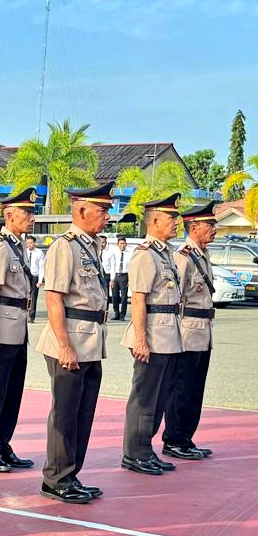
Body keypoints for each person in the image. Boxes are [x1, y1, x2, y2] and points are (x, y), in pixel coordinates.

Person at [36, 183, 113, 503]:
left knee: (83, 413)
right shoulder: (64, 247)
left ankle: (71, 474)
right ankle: (56, 477)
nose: (107, 217)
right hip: (70, 340)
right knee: (66, 413)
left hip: (91, 341)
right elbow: (53, 298)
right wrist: (64, 345)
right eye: (102, 210)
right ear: (80, 211)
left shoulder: (91, 246)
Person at [120, 194, 183, 475]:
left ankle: (146, 448)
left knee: (159, 396)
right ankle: (134, 452)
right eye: (171, 218)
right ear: (155, 220)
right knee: (145, 396)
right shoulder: (145, 254)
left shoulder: (165, 252)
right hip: (153, 335)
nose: (176, 223)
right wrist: (141, 339)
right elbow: (138, 300)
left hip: (168, 334)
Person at [0, 188, 38, 473]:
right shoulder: (0, 247)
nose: (32, 218)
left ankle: (3, 442)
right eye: (26, 212)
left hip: (18, 327)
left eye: (32, 212)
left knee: (13, 391)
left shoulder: (18, 245)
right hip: (2, 327)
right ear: (9, 215)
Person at [162, 201, 218, 460]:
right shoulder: (183, 257)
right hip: (187, 332)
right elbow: (174, 298)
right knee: (180, 388)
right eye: (210, 225)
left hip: (203, 332)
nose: (214, 229)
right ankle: (173, 438)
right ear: (194, 227)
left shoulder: (202, 255)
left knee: (196, 389)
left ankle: (186, 437)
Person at [104, 235, 131, 320]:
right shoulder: (114, 253)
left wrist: (130, 279)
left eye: (124, 243)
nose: (122, 245)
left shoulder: (129, 254)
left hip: (124, 275)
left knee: (124, 296)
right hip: (116, 275)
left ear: (126, 244)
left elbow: (131, 267)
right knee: (115, 296)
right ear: (118, 244)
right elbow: (112, 265)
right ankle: (116, 313)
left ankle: (122, 314)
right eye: (121, 243)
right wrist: (112, 279)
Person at [26, 235, 45, 322]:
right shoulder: (24, 251)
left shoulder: (39, 253)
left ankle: (31, 316)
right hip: (25, 276)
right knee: (25, 296)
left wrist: (40, 280)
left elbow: (41, 267)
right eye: (28, 243)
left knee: (33, 297)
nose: (29, 245)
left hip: (34, 277)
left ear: (35, 243)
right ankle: (25, 314)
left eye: (31, 243)